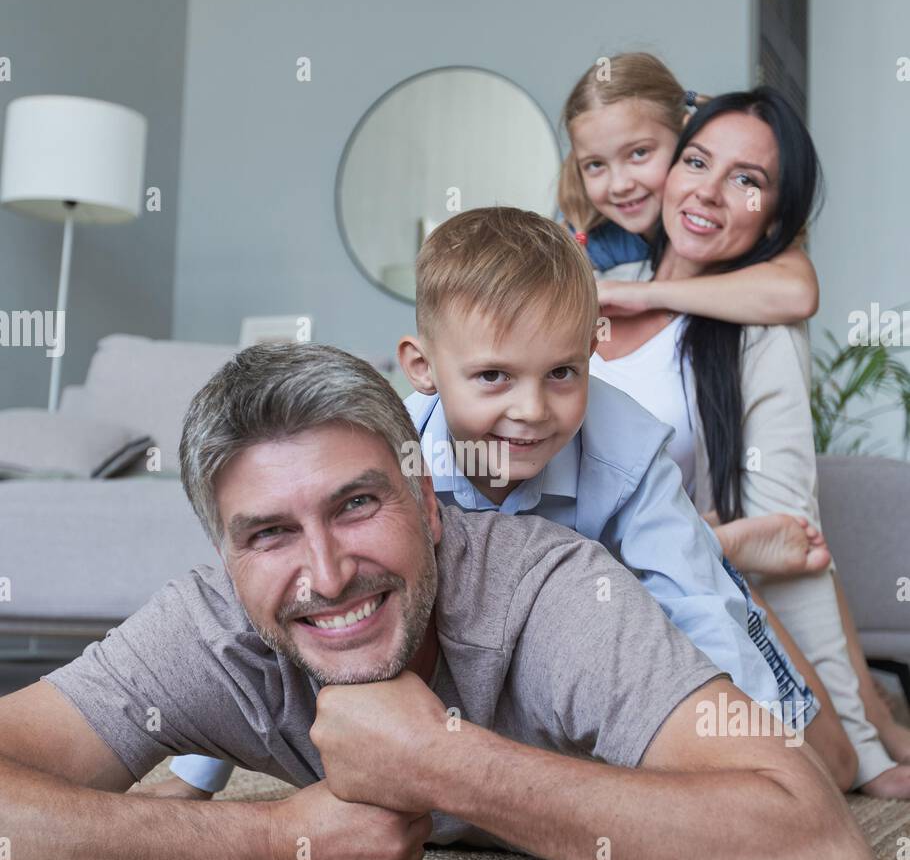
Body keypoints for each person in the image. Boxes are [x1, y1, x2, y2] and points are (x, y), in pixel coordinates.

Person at [0, 341, 897, 860]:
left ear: (427, 502)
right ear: (226, 560)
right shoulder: (211, 627)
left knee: (818, 752)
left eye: (358, 505)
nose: (328, 572)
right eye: (269, 534)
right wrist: (265, 849)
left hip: (702, 666)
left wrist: (441, 762)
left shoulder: (550, 589)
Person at [162, 208, 832, 799]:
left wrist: (770, 782)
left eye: (563, 373)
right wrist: (195, 776)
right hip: (480, 636)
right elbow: (272, 606)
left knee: (734, 631)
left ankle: (714, 547)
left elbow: (702, 609)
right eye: (493, 377)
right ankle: (719, 537)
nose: (533, 410)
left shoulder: (625, 456)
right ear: (422, 367)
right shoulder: (381, 458)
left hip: (610, 610)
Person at [559, 54, 910, 796]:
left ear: (775, 216)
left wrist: (860, 735)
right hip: (562, 565)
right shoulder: (593, 280)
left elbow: (799, 545)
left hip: (651, 590)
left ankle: (867, 711)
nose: (708, 192)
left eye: (747, 180)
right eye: (697, 162)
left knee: (826, 767)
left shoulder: (753, 324)